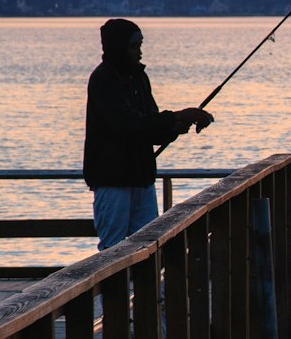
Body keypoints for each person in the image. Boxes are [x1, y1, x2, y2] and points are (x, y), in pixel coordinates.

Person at [83, 18, 214, 250]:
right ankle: (116, 289)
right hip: (112, 181)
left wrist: (174, 128)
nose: (139, 52)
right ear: (118, 47)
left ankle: (144, 287)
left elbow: (149, 127)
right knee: (112, 250)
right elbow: (126, 125)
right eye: (134, 46)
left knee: (149, 247)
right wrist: (177, 117)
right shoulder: (103, 79)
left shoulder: (140, 78)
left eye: (140, 45)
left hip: (141, 177)